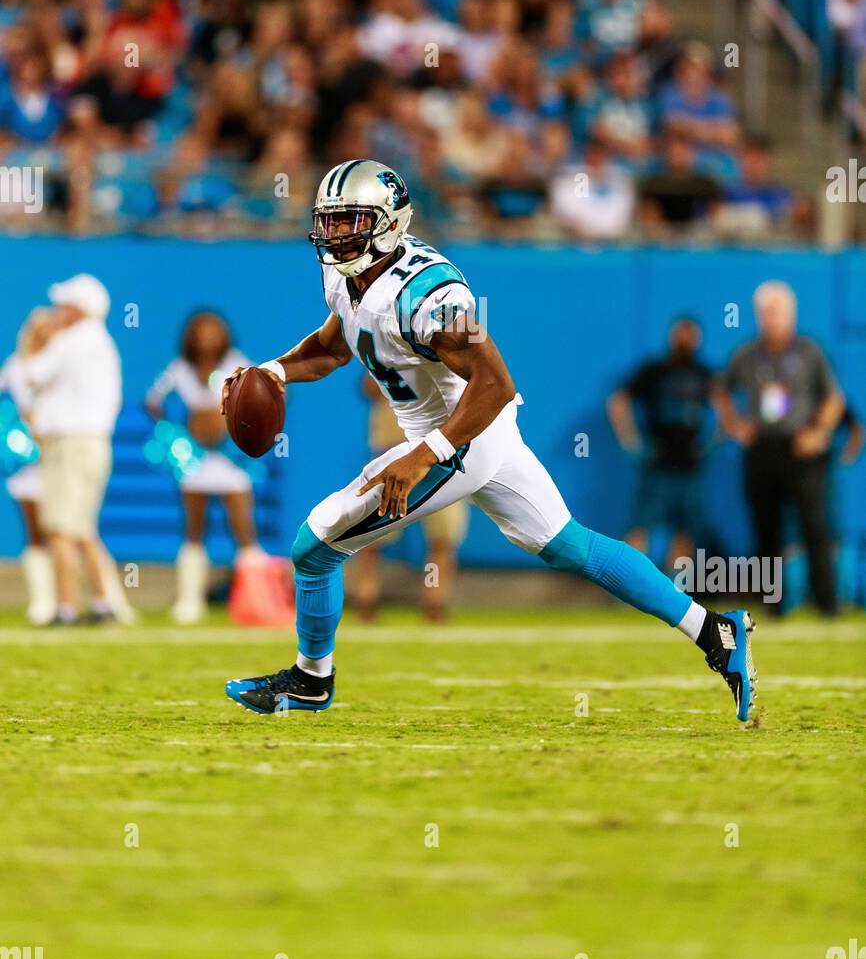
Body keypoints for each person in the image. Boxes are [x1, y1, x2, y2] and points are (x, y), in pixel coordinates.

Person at [223, 159, 757, 721]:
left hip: (461, 436)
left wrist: (426, 454)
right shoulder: (349, 276)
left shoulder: (429, 295)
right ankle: (715, 631)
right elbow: (335, 345)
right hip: (470, 437)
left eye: (348, 221)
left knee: (315, 546)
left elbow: (497, 384)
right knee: (569, 544)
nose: (333, 236)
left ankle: (311, 681)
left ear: (386, 223)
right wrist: (271, 373)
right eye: (328, 222)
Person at [715, 281, 845, 616]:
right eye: (764, 313)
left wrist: (819, 432)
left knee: (815, 526)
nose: (770, 319)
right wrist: (735, 425)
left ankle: (827, 605)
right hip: (762, 448)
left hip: (801, 448)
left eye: (776, 312)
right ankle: (773, 605)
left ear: (790, 314)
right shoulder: (747, 354)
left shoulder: (808, 351)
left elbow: (834, 398)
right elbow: (721, 390)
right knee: (765, 527)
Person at [20, 273, 134, 624]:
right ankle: (105, 603)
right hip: (94, 442)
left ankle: (65, 607)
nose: (57, 312)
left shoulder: (71, 341)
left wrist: (38, 339)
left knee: (59, 527)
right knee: (81, 527)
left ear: (78, 309)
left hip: (69, 443)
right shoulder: (103, 343)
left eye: (63, 306)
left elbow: (32, 373)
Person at [146, 311, 258, 625]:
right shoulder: (179, 369)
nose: (207, 337)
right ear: (189, 336)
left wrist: (236, 423)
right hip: (194, 459)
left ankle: (254, 600)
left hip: (231, 458)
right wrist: (179, 429)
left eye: (213, 331)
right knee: (194, 529)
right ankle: (189, 601)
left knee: (243, 528)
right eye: (200, 331)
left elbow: (273, 393)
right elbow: (153, 401)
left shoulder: (237, 363)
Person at [353, 375, 468, 622]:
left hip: (439, 457)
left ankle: (434, 603)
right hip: (392, 453)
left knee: (441, 538)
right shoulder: (385, 352)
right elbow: (368, 387)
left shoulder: (448, 359)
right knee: (369, 538)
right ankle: (366, 599)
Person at [607, 318, 715, 571]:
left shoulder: (704, 374)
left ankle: (673, 593)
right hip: (657, 465)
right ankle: (628, 588)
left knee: (686, 530)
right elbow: (618, 401)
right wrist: (630, 440)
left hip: (691, 467)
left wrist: (712, 443)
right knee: (640, 526)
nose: (686, 340)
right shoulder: (654, 371)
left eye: (691, 335)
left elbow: (725, 407)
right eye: (682, 334)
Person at [0, 308, 57, 625]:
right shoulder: (16, 365)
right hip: (26, 458)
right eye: (39, 329)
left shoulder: (64, 363)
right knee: (35, 530)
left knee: (65, 527)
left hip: (59, 453)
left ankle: (69, 598)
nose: (44, 334)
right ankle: (42, 601)